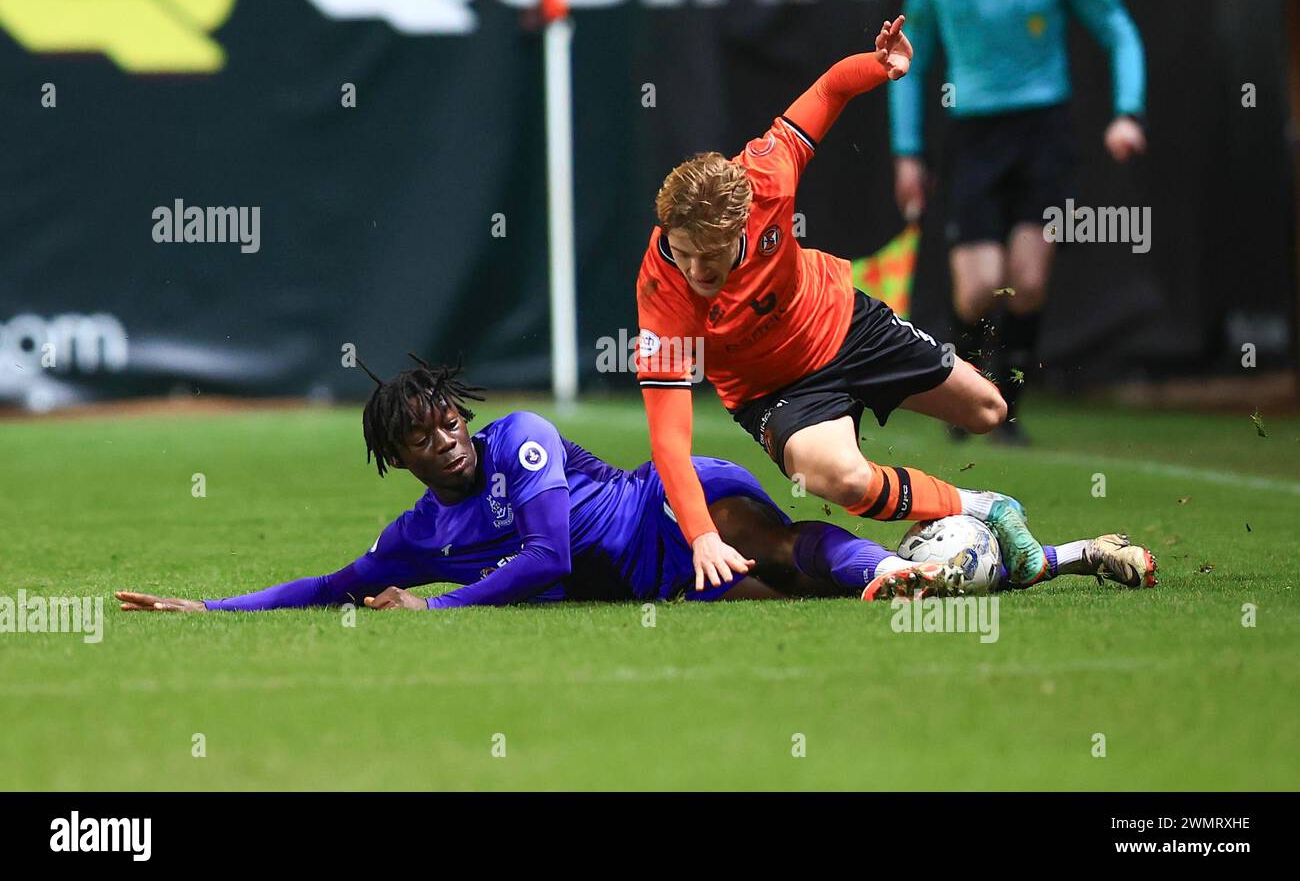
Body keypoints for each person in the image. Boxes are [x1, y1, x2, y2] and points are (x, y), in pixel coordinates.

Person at [115, 359, 1156, 614]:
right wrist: (207, 605)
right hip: (659, 581)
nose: (443, 436)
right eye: (419, 435)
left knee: (792, 546)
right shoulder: (417, 533)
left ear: (462, 414)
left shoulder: (521, 437)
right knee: (799, 588)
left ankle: (900, 560)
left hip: (672, 504)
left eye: (444, 416)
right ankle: (1068, 553)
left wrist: (434, 613)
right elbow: (338, 581)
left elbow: (553, 554)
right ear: (399, 456)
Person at [635, 16, 1057, 596]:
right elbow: (668, 440)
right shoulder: (663, 290)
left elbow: (830, 90)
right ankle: (983, 506)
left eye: (710, 257)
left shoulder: (767, 172)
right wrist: (703, 534)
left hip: (841, 321)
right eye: (682, 253)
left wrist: (881, 67)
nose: (696, 272)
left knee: (989, 410)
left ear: (741, 223)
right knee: (838, 477)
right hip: (775, 389)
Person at [890, 0, 1146, 444]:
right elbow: (908, 65)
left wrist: (1127, 111)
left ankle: (1007, 410)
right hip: (974, 137)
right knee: (980, 288)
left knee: (1027, 283)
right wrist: (908, 151)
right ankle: (966, 396)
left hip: (1042, 134)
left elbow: (1116, 26)